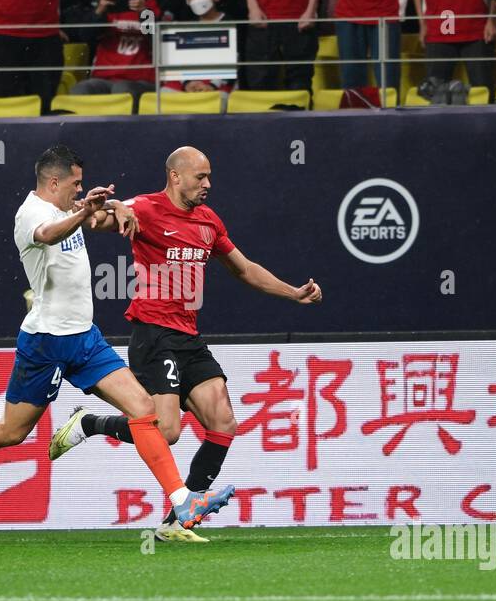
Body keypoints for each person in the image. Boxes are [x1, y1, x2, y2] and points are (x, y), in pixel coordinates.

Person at [0, 145, 236, 535]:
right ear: (53, 182)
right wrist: (84, 210)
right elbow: (47, 234)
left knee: (145, 410)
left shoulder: (65, 208)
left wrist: (114, 207)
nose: (79, 190)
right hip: (46, 341)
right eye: (74, 184)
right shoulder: (32, 214)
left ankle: (181, 500)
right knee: (10, 433)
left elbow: (115, 212)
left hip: (84, 339)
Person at [50, 145, 323, 543]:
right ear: (175, 176)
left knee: (224, 422)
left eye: (209, 176)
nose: (208, 184)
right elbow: (94, 220)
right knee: (168, 431)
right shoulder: (144, 207)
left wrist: (293, 293)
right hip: (153, 334)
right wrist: (109, 206)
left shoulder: (209, 222)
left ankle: (176, 522)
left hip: (189, 337)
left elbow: (244, 268)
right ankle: (89, 424)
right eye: (201, 177)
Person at [69, 0, 170, 102]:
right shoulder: (111, 3)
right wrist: (99, 11)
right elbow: (86, 37)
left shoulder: (162, 3)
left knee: (122, 89)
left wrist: (145, 13)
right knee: (80, 89)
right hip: (104, 79)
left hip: (142, 81)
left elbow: (160, 43)